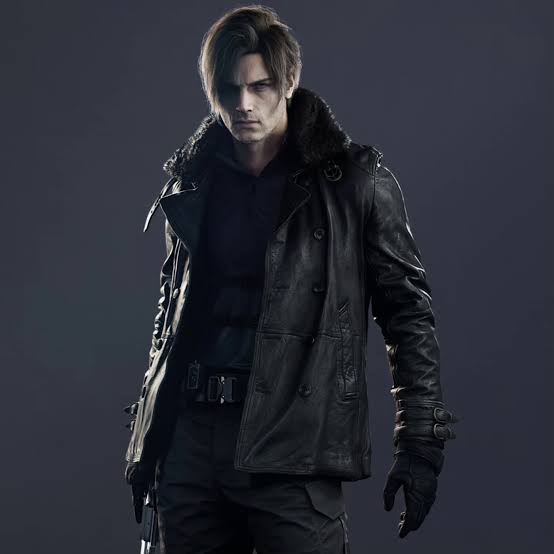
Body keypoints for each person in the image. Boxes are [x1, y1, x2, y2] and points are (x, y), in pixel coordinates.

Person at [123, 4, 457, 553]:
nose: (243, 104)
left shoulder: (353, 181)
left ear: (289, 81)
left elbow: (407, 312)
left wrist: (421, 438)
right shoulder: (193, 180)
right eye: (229, 89)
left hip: (295, 445)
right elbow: (172, 308)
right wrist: (149, 433)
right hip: (191, 444)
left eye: (259, 86)